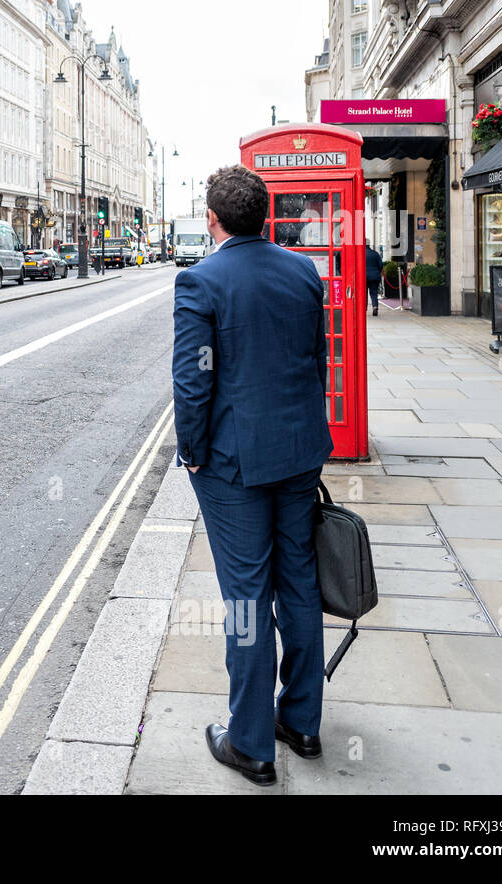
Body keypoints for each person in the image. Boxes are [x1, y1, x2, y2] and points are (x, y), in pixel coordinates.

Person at [172, 165, 335, 786]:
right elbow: (316, 357)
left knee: (245, 597)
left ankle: (251, 745)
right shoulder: (302, 271)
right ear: (266, 215)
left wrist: (192, 452)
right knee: (298, 584)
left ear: (213, 220)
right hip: (298, 452)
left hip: (235, 465)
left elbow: (193, 382)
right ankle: (302, 723)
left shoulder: (200, 281)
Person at [366, 244, 383, 316]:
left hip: (363, 277)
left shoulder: (359, 252)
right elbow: (381, 265)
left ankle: (363, 308)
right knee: (374, 293)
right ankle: (375, 307)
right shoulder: (375, 253)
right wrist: (377, 272)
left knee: (363, 294)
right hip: (374, 276)